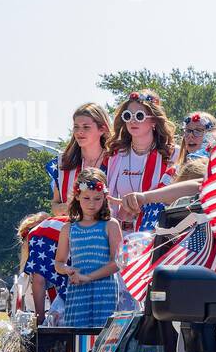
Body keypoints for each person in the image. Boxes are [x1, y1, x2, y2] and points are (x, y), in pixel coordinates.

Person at [55, 169, 122, 328]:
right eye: (86, 198)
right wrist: (67, 270)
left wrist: (89, 277)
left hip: (104, 292)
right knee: (78, 340)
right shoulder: (68, 228)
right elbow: (58, 263)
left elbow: (117, 262)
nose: (92, 204)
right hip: (78, 292)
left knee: (102, 338)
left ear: (105, 197)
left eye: (97, 198)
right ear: (77, 196)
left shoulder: (110, 225)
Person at [105, 90, 177, 231]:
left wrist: (146, 205)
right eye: (128, 116)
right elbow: (109, 198)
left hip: (157, 235)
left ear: (154, 121)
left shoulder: (173, 154)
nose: (132, 120)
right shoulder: (116, 155)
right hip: (121, 234)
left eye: (139, 116)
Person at [48, 103, 111, 216]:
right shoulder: (63, 162)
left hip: (107, 230)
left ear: (102, 129)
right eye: (76, 127)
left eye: (86, 127)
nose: (79, 132)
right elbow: (55, 205)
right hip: (71, 229)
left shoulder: (116, 161)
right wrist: (66, 208)